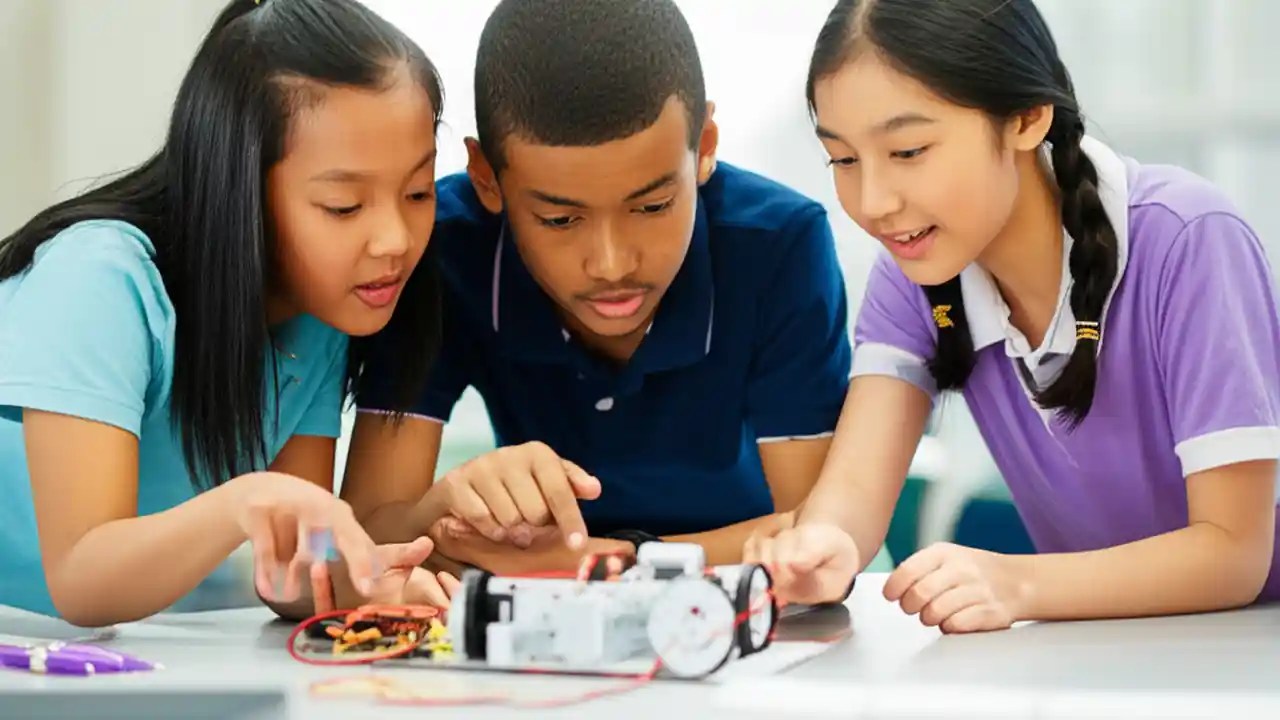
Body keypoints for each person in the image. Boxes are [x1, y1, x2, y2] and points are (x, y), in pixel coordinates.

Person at [747, 0, 1280, 632]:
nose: (874, 201)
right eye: (843, 159)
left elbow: (1233, 554)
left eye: (908, 151)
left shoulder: (1189, 239)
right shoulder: (915, 275)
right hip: (1107, 652)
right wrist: (821, 548)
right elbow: (853, 497)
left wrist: (1017, 583)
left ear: (1027, 118)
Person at [346, 0, 851, 572]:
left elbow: (819, 532)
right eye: (560, 219)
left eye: (653, 206)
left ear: (705, 147)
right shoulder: (443, 250)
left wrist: (610, 565)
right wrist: (442, 510)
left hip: (745, 592)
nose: (611, 265)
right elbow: (366, 530)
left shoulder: (780, 245)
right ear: (487, 177)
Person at [0, 0, 457, 626]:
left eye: (418, 193)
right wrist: (248, 500)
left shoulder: (320, 315)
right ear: (239, 185)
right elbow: (83, 580)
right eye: (344, 206)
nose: (395, 240)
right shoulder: (100, 280)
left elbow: (292, 568)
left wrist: (372, 584)